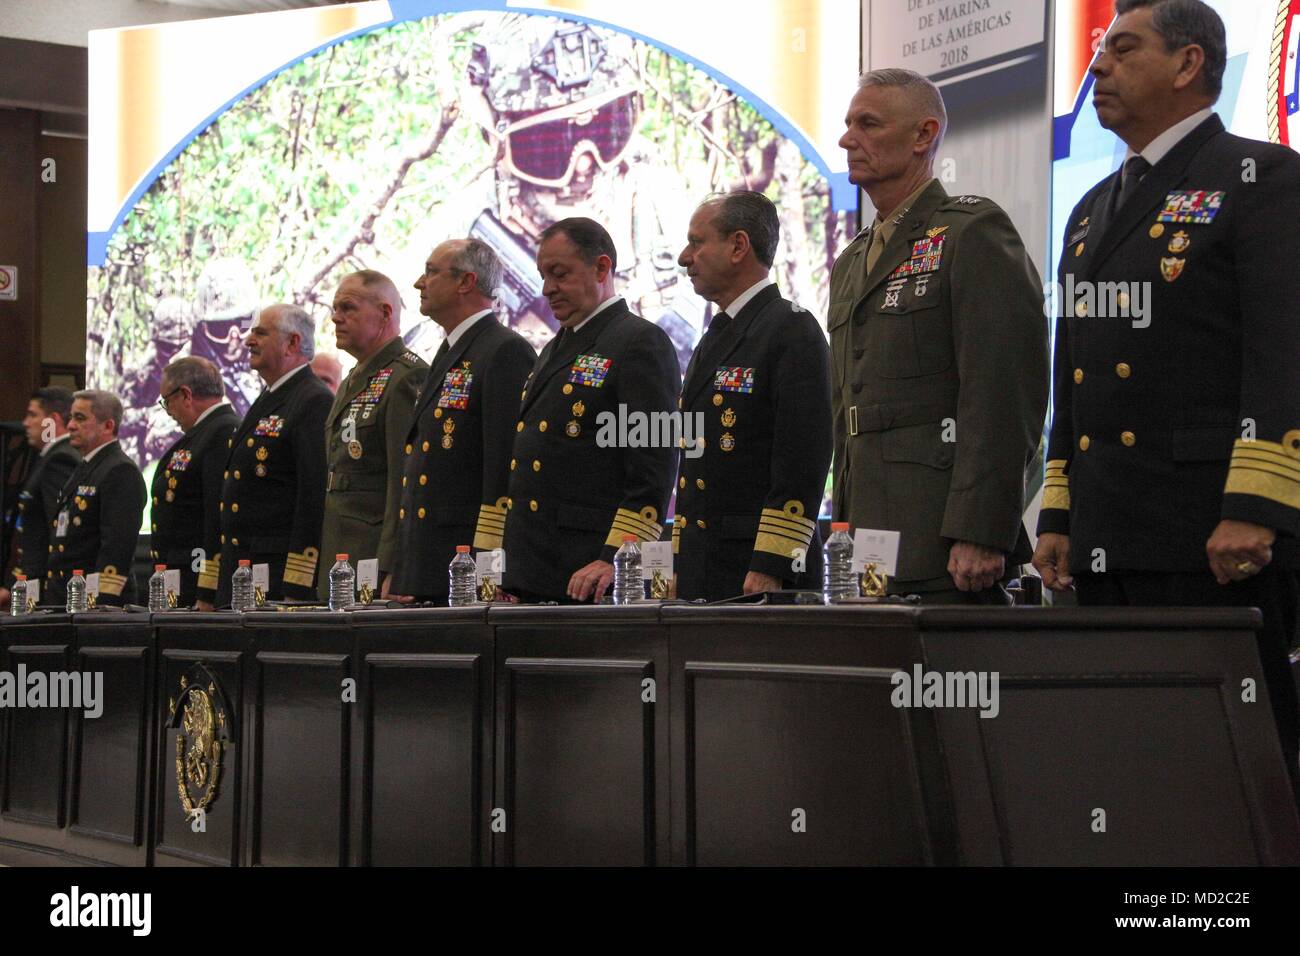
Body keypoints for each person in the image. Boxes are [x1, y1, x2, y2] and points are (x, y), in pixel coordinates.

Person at [1031, 0, 1300, 798]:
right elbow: (1070, 374)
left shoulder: (1259, 178)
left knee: (1229, 768)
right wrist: (1058, 513)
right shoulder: (1088, 212)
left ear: (1188, 64)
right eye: (1100, 51)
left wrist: (1255, 504)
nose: (1099, 66)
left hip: (1208, 532)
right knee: (1121, 760)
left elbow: (1284, 351)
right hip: (1106, 534)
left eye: (1123, 48)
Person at [829, 68, 1048, 603]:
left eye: (868, 123)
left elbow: (1003, 392)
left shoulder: (971, 232)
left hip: (943, 540)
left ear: (924, 136)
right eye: (847, 124)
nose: (846, 139)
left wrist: (981, 528)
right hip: (869, 541)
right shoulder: (852, 259)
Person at [502, 217, 679, 602]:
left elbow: (653, 467)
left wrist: (617, 558)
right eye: (543, 275)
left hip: (591, 573)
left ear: (601, 268)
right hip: (535, 569)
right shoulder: (555, 347)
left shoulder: (640, 342)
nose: (547, 289)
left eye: (559, 274)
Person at [673, 191, 832, 601]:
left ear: (738, 246)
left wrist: (772, 564)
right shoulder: (715, 336)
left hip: (759, 573)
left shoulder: (791, 330)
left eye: (696, 242)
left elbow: (802, 461)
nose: (684, 257)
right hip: (706, 567)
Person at [388, 239, 535, 603]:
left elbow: (502, 466)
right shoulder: (450, 349)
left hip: (463, 564)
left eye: (431, 272)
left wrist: (491, 567)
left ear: (466, 282)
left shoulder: (503, 349)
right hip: (429, 558)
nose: (419, 283)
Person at [318, 271, 426, 602]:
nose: (336, 317)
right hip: (340, 549)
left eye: (347, 308)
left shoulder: (406, 377)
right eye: (334, 308)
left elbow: (403, 481)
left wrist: (395, 564)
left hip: (372, 557)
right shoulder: (354, 378)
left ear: (384, 313)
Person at [216, 304, 332, 604]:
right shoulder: (272, 396)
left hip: (276, 574)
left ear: (292, 343)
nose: (248, 340)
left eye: (261, 333)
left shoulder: (312, 399)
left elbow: (313, 495)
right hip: (246, 566)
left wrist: (297, 582)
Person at [151, 357, 238, 609]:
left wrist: (207, 589)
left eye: (167, 402)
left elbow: (215, 515)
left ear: (186, 395)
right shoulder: (202, 434)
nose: (169, 413)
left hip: (195, 576)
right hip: (182, 573)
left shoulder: (221, 432)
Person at [45, 390, 146, 607]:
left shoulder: (120, 470)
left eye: (80, 418)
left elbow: (116, 547)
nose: (70, 425)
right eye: (71, 417)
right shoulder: (88, 467)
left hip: (96, 605)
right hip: (70, 597)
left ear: (108, 426)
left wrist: (101, 603)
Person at [0, 387, 80, 610]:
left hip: (46, 588)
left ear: (52, 421)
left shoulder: (60, 459)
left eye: (33, 415)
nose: (25, 423)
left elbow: (56, 531)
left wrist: (26, 585)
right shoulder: (48, 457)